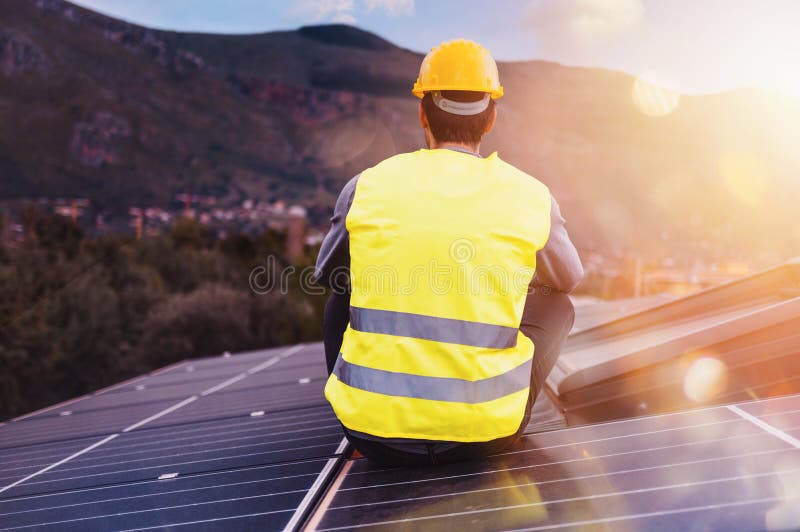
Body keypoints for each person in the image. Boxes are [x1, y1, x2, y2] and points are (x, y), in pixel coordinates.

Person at [313, 39, 583, 466]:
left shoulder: (366, 186)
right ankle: (504, 410)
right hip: (486, 433)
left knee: (340, 295)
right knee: (558, 305)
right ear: (491, 117)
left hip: (375, 435)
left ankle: (360, 421)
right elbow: (569, 280)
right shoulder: (531, 196)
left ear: (423, 112)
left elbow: (326, 275)